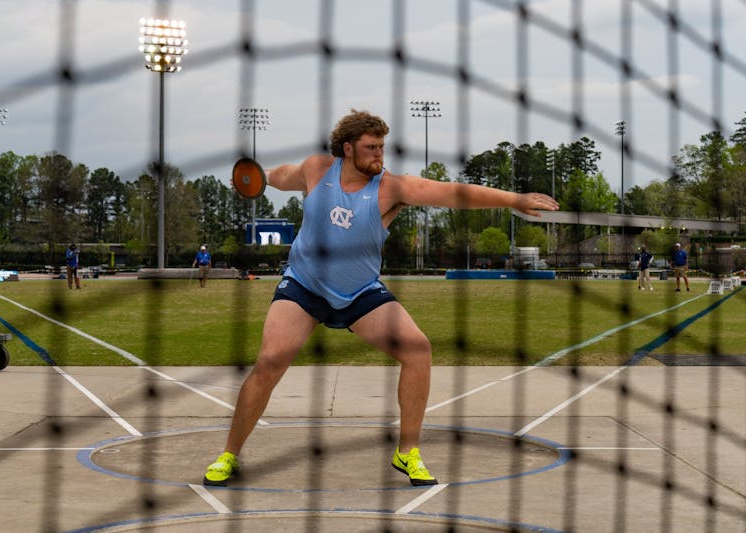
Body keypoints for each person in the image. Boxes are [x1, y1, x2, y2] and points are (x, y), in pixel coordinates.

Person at [203, 110, 559, 487]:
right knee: (270, 361)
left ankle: (408, 453)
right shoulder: (317, 169)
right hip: (304, 286)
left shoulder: (391, 187)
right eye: (371, 148)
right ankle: (229, 455)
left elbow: (453, 194)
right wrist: (253, 179)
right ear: (347, 148)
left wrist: (512, 200)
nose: (379, 155)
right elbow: (279, 176)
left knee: (418, 350)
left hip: (359, 292)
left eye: (381, 147)